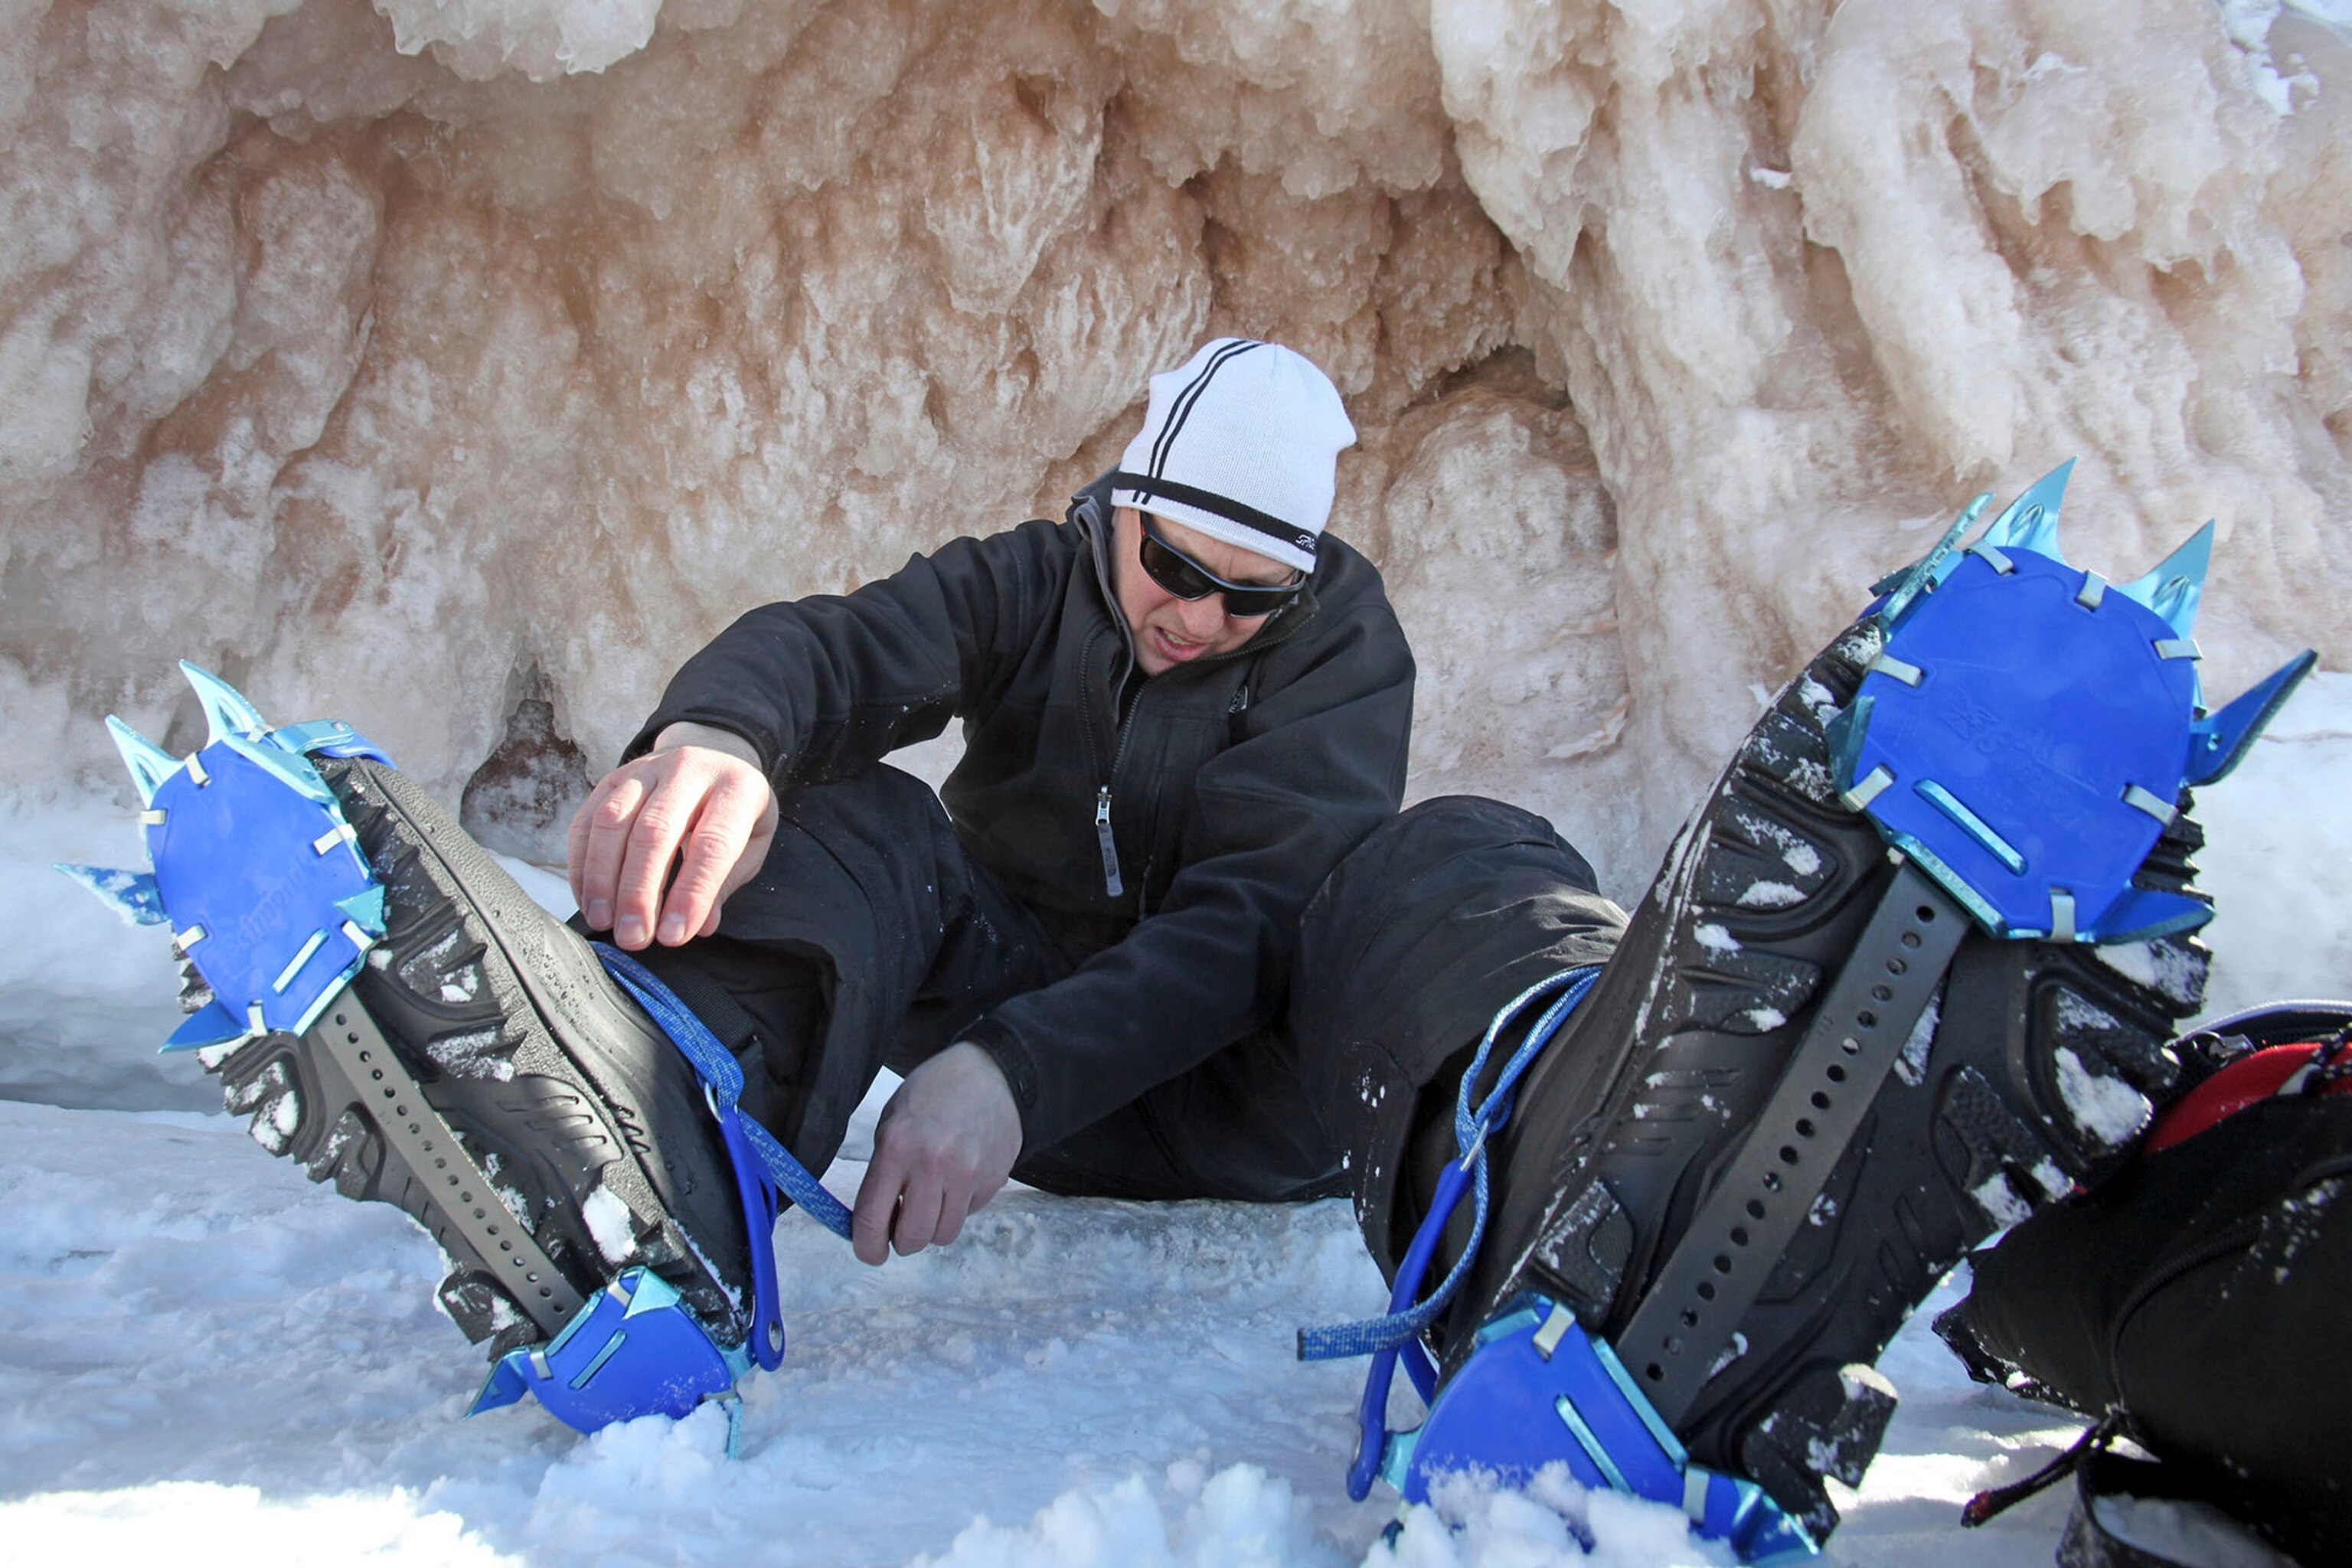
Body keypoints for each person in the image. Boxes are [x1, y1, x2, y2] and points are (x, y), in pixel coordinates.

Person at [83, 361, 2339, 1563]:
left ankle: (1570, 1167)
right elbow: (849, 646)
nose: (1202, 624)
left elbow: (1245, 932)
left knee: (1442, 860)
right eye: (1175, 574)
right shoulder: (1040, 582)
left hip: (1251, 1077)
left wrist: (1003, 1089)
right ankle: (652, 1126)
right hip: (986, 1005)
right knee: (856, 820)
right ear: (1116, 510)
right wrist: (722, 737)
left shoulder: (1336, 647)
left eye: (1247, 600)